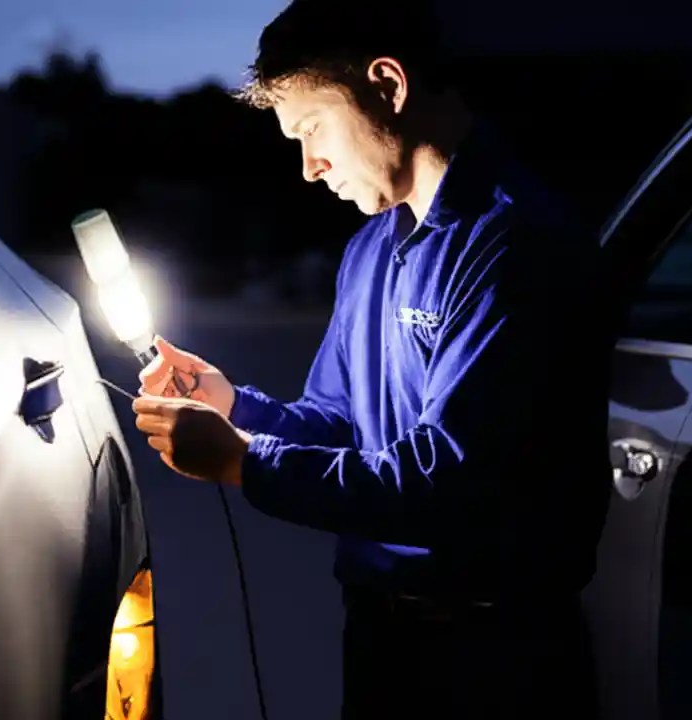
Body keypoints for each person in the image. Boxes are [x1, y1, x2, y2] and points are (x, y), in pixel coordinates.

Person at [130, 0, 612, 716]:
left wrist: (240, 458)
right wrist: (235, 409)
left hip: (494, 655)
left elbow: (445, 479)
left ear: (388, 85)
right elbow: (338, 421)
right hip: (383, 633)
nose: (308, 167)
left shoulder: (513, 244)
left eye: (313, 129)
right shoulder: (372, 249)